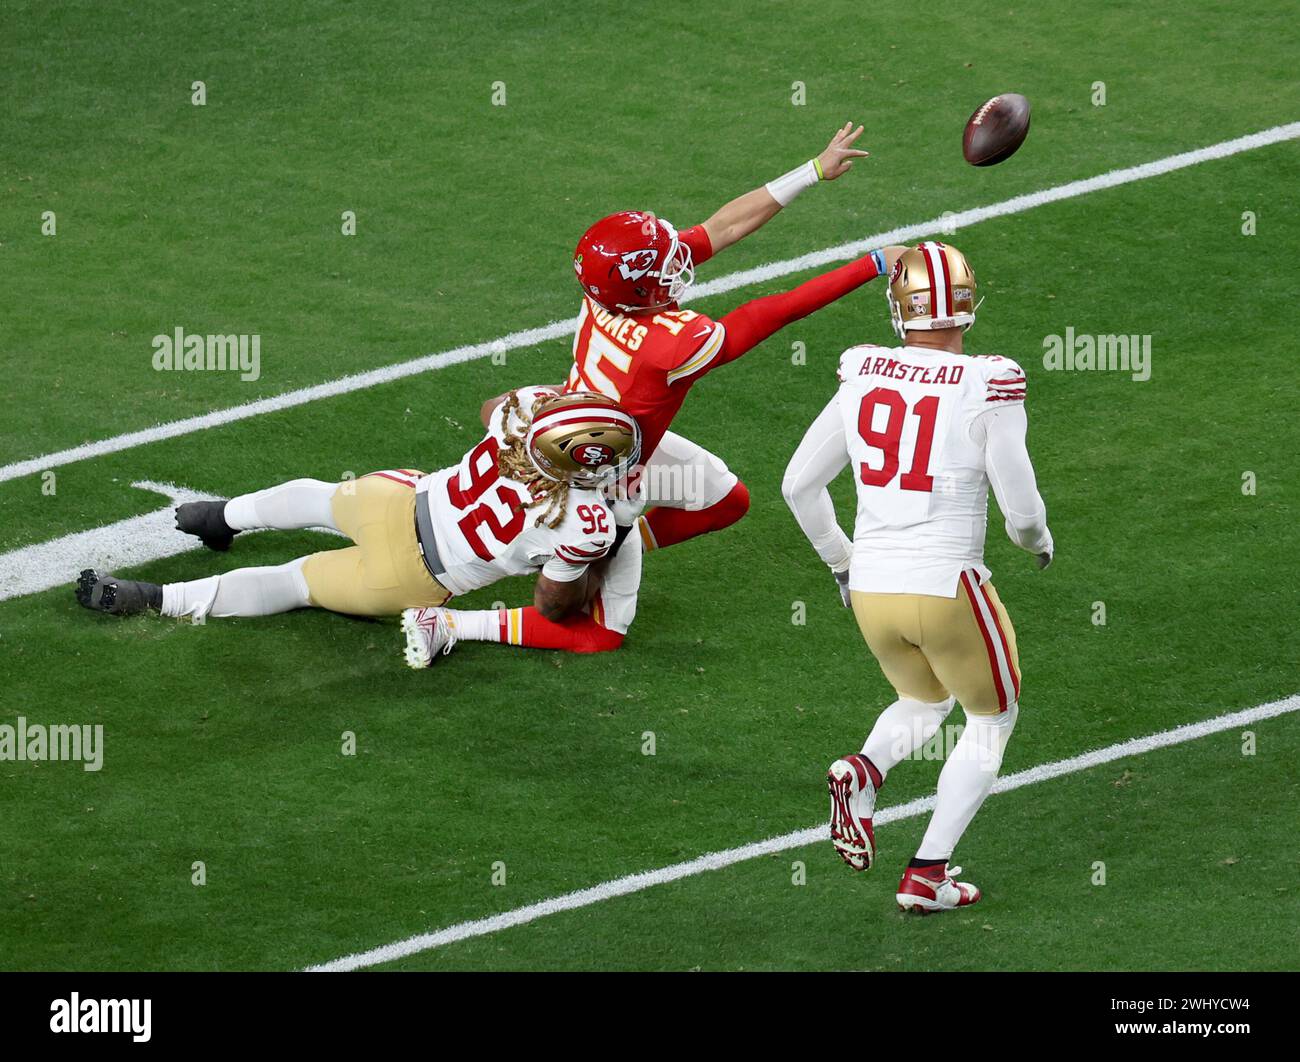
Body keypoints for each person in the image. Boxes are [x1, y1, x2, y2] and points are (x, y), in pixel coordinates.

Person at [781, 241, 1053, 912]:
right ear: (969, 304)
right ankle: (928, 874)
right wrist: (1040, 543)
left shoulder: (863, 369)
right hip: (946, 585)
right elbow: (1022, 512)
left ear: (899, 310)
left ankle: (866, 772)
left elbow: (797, 486)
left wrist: (841, 564)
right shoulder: (989, 380)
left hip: (874, 586)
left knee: (928, 702)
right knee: (991, 718)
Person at [76, 389, 644, 662]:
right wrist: (604, 548)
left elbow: (492, 405)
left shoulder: (520, 420)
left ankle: (217, 517)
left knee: (320, 500)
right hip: (411, 574)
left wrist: (557, 405)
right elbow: (552, 607)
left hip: (393, 498)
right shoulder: (584, 520)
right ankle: (155, 596)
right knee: (296, 583)